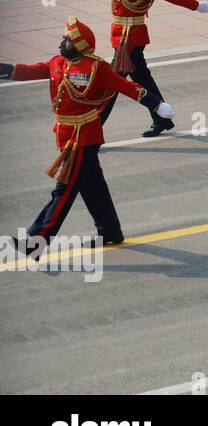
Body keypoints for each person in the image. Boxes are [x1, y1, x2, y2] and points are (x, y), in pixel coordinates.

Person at [1, 18, 172, 255]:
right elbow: (31, 71)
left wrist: (156, 104)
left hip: (84, 137)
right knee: (93, 186)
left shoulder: (96, 68)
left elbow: (124, 85)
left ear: (79, 45)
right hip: (66, 135)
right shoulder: (58, 62)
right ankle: (110, 231)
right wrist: (5, 70)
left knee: (64, 191)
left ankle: (35, 242)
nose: (63, 41)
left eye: (68, 39)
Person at [49, 0, 207, 137]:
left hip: (130, 42)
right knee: (141, 80)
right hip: (120, 40)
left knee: (110, 84)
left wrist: (195, 5)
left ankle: (92, 129)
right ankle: (161, 117)